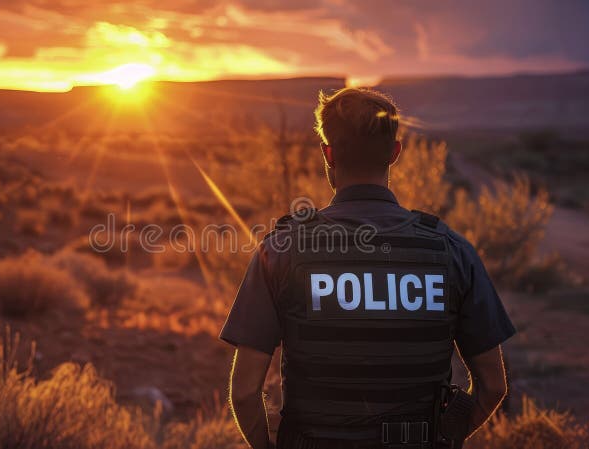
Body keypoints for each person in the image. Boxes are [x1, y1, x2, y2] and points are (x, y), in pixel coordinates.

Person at [220, 87, 515, 449]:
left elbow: (244, 392)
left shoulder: (283, 249)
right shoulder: (450, 250)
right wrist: (441, 437)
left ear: (328, 154)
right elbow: (494, 386)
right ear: (394, 153)